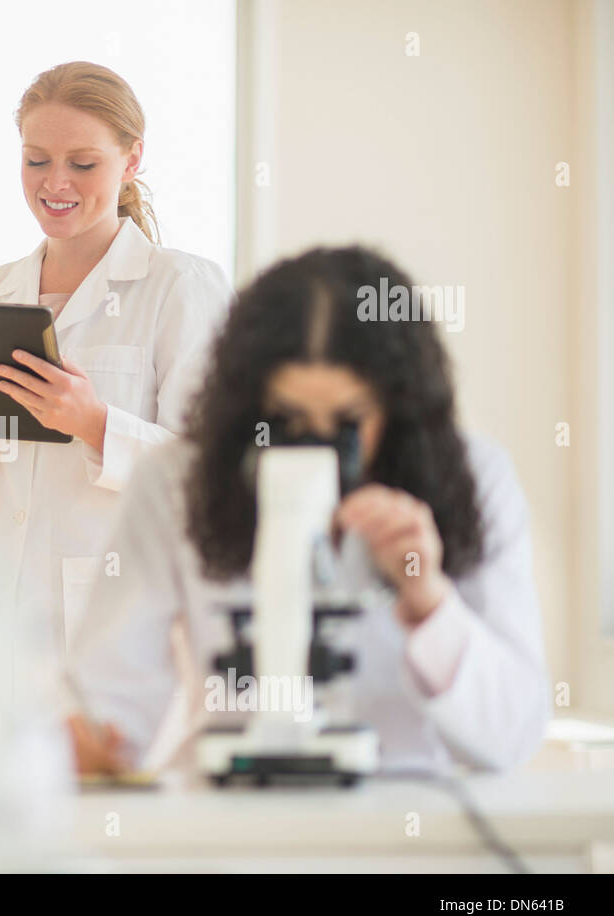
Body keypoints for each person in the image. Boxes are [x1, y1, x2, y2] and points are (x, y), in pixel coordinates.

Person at [65, 246, 551, 775]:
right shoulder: (176, 481)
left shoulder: (475, 479)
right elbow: (110, 701)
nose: (315, 448)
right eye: (286, 420)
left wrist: (429, 602)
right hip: (243, 830)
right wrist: (87, 741)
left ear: (399, 405)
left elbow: (513, 735)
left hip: (413, 828)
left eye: (347, 422)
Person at [0, 61, 231, 660]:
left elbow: (214, 477)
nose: (55, 183)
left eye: (83, 163)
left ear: (132, 160)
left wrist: (95, 424)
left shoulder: (180, 287)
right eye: (36, 160)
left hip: (115, 628)